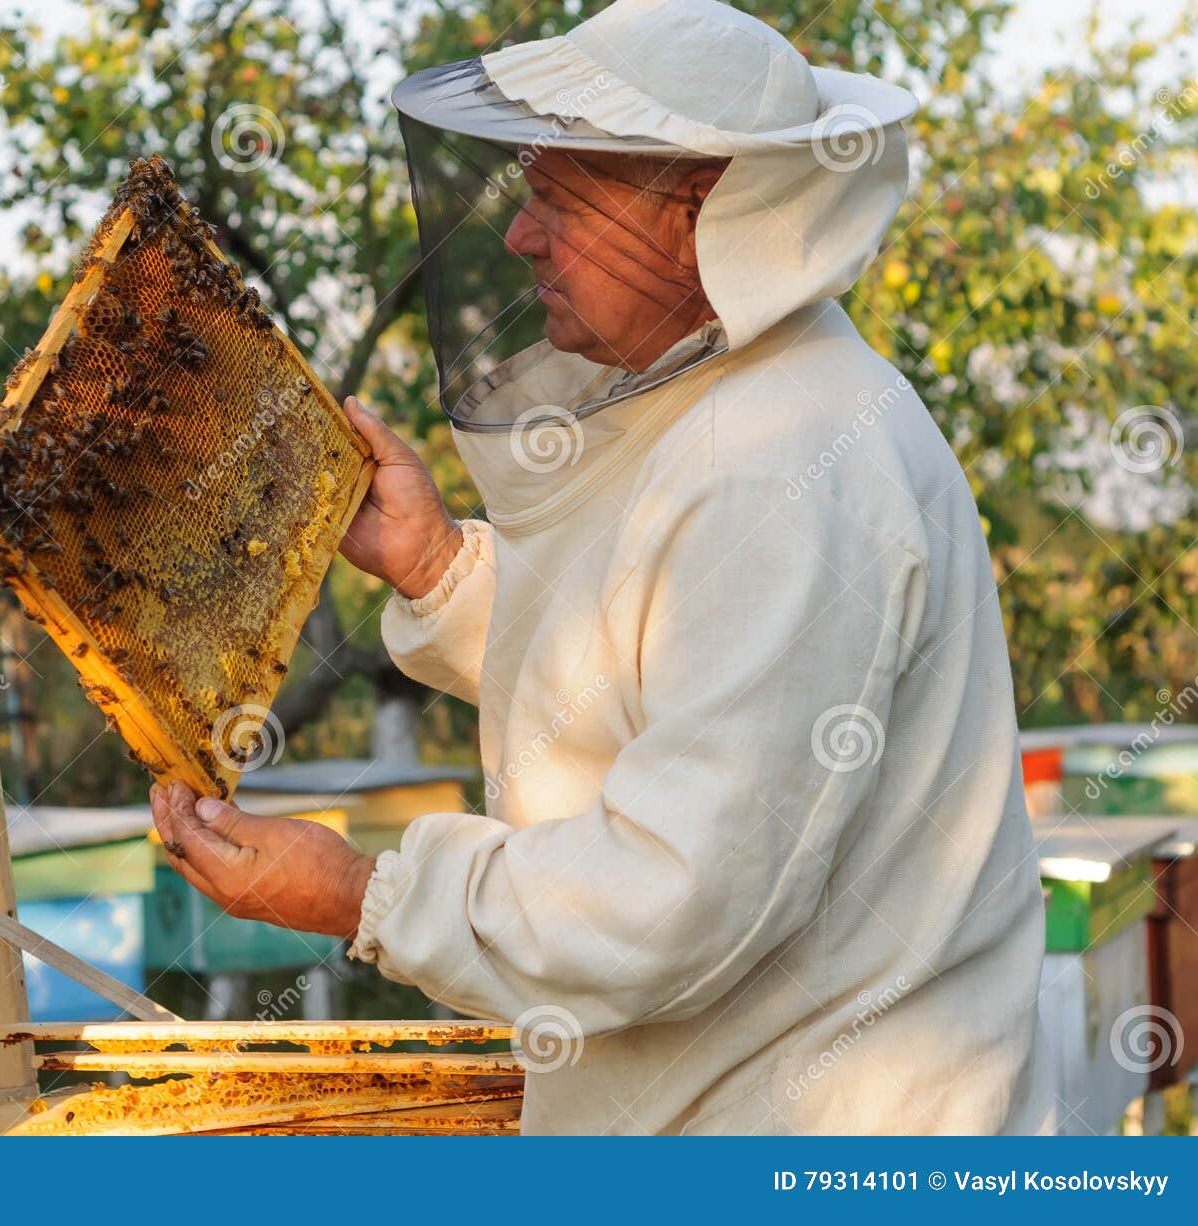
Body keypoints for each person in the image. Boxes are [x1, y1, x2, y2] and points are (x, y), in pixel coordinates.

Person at [151, 0, 1055, 1135]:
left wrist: (360, 892)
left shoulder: (778, 462)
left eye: (558, 200)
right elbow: (652, 672)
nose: (519, 235)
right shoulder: (745, 403)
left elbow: (670, 898)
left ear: (697, 213)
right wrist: (435, 565)